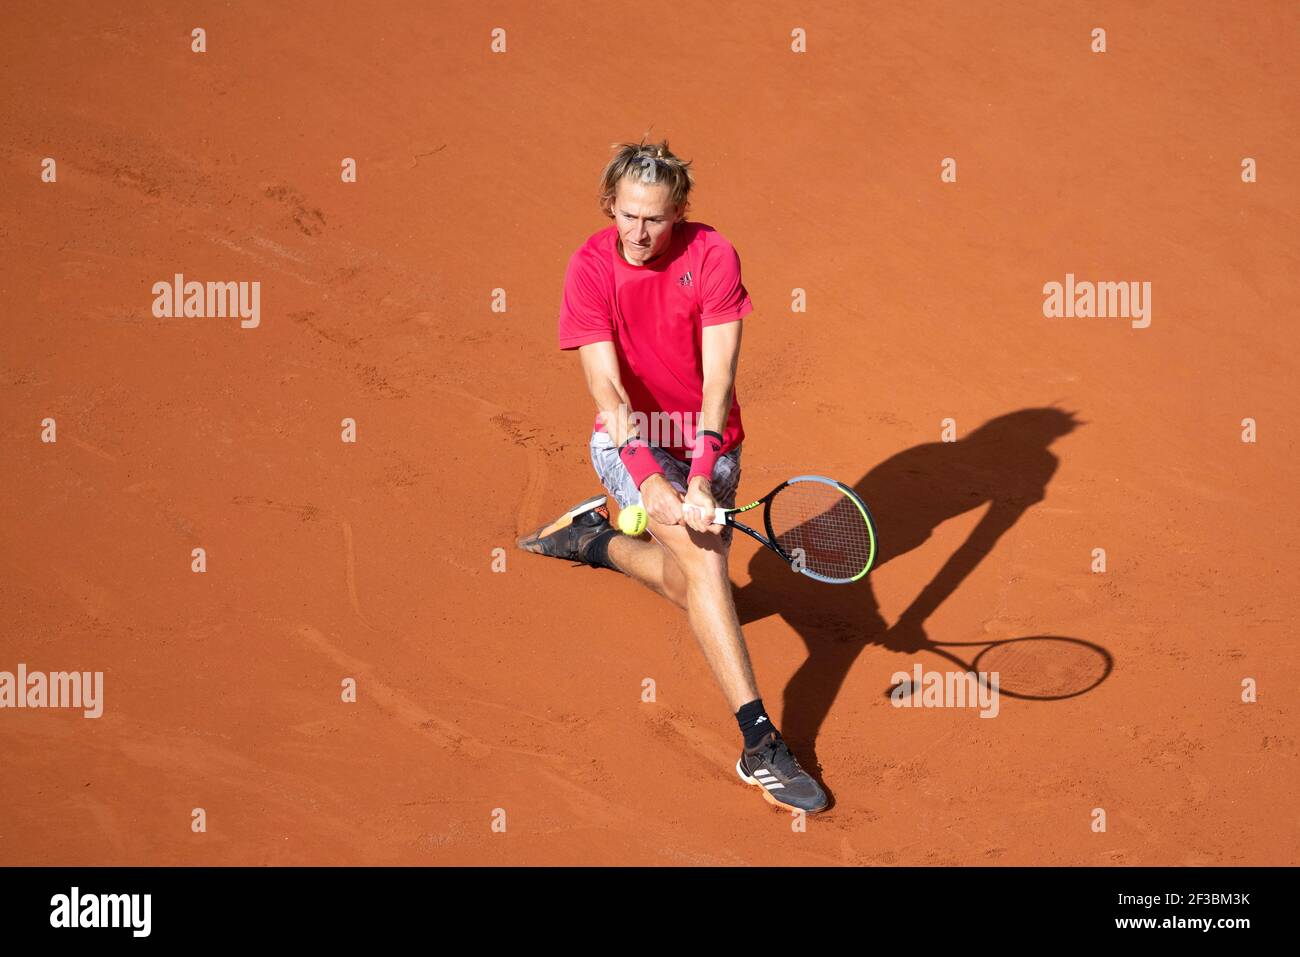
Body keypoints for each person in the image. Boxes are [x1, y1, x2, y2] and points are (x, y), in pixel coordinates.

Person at [517, 139, 828, 813]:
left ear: (679, 212)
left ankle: (594, 540)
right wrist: (653, 483)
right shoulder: (589, 268)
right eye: (627, 215)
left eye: (654, 219)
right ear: (610, 206)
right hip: (629, 444)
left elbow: (720, 378)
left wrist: (702, 473)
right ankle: (759, 744)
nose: (638, 232)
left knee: (692, 583)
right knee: (707, 558)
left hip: (707, 446)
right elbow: (609, 393)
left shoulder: (713, 255)